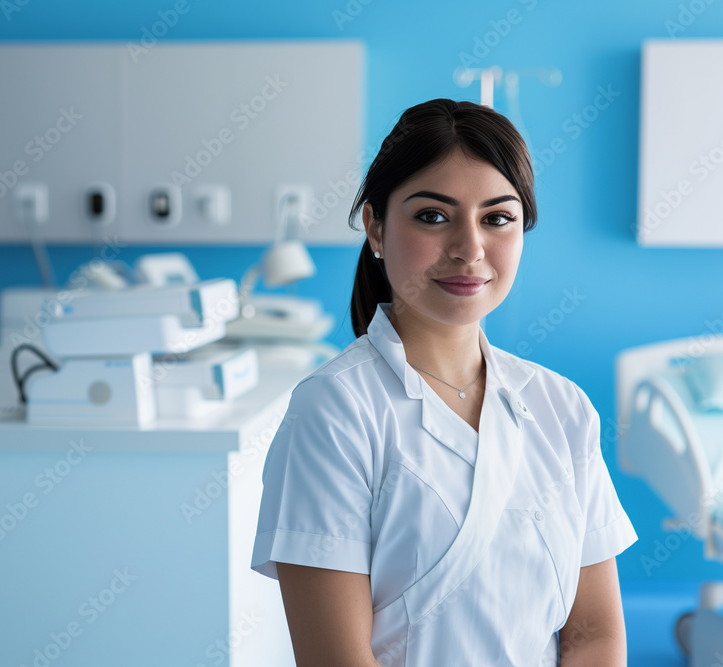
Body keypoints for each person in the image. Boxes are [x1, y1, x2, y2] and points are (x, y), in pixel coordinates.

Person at [250, 98, 638, 666]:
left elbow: (594, 636)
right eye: (433, 216)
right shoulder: (335, 410)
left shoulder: (560, 407)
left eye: (497, 218)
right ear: (376, 227)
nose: (469, 249)